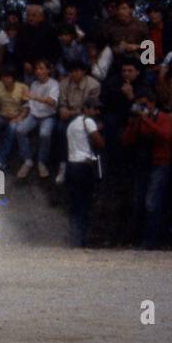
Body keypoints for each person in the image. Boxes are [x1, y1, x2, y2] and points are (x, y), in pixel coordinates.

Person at [122, 92, 172, 249]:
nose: (143, 108)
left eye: (145, 104)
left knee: (151, 202)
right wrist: (134, 123)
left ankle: (152, 240)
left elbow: (165, 136)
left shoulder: (164, 118)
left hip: (159, 163)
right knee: (139, 202)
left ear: (153, 103)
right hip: (143, 164)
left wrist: (147, 121)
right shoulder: (141, 120)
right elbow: (126, 140)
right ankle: (139, 239)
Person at [64, 96, 105, 247]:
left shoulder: (72, 124)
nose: (97, 111)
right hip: (84, 166)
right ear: (86, 109)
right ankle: (82, 240)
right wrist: (99, 130)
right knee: (85, 204)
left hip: (72, 165)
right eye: (94, 108)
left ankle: (75, 239)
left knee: (75, 204)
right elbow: (100, 143)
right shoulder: (88, 122)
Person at [54, 59, 100, 184]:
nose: (74, 74)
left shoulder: (93, 85)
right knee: (60, 130)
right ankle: (63, 165)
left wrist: (72, 113)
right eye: (72, 71)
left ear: (84, 71)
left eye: (77, 71)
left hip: (85, 116)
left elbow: (91, 107)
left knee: (78, 132)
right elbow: (62, 102)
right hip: (67, 115)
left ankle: (86, 165)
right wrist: (63, 110)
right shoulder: (64, 83)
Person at [15, 59, 60, 178]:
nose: (38, 71)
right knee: (19, 130)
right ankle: (28, 160)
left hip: (48, 116)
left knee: (44, 133)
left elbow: (51, 101)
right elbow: (30, 103)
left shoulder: (54, 84)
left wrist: (34, 97)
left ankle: (41, 162)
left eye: (41, 68)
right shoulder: (34, 84)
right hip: (34, 115)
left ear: (48, 70)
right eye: (36, 69)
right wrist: (21, 116)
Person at [0, 67, 29, 171]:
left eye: (8, 77)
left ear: (13, 78)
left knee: (12, 128)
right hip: (2, 116)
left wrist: (19, 118)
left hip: (16, 117)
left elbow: (26, 107)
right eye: (3, 77)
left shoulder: (22, 87)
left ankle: (0, 159)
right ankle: (1, 156)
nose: (5, 79)